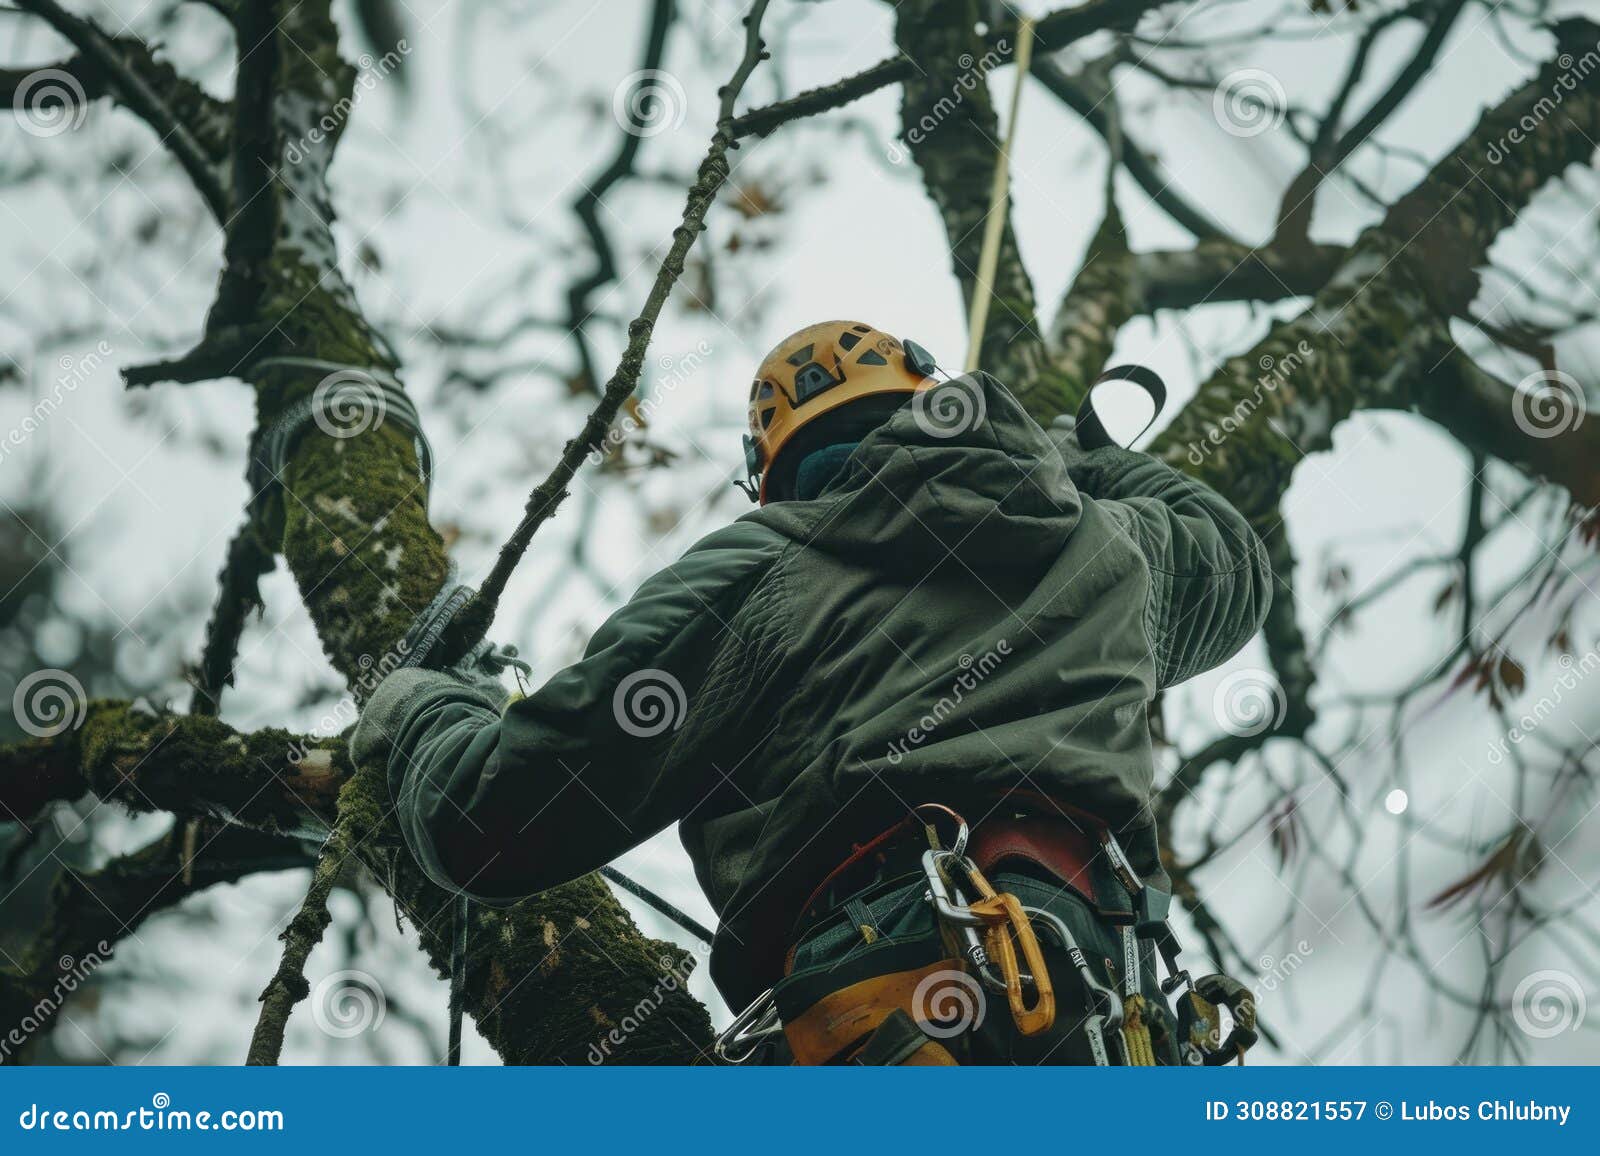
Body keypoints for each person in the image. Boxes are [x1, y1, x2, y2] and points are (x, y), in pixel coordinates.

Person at [352, 320, 1271, 1064]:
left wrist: (419, 705)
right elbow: (1232, 557)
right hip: (1104, 1005)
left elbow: (489, 816)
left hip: (883, 1000)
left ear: (771, 477)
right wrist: (1075, 454)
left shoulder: (763, 569)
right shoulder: (1105, 541)